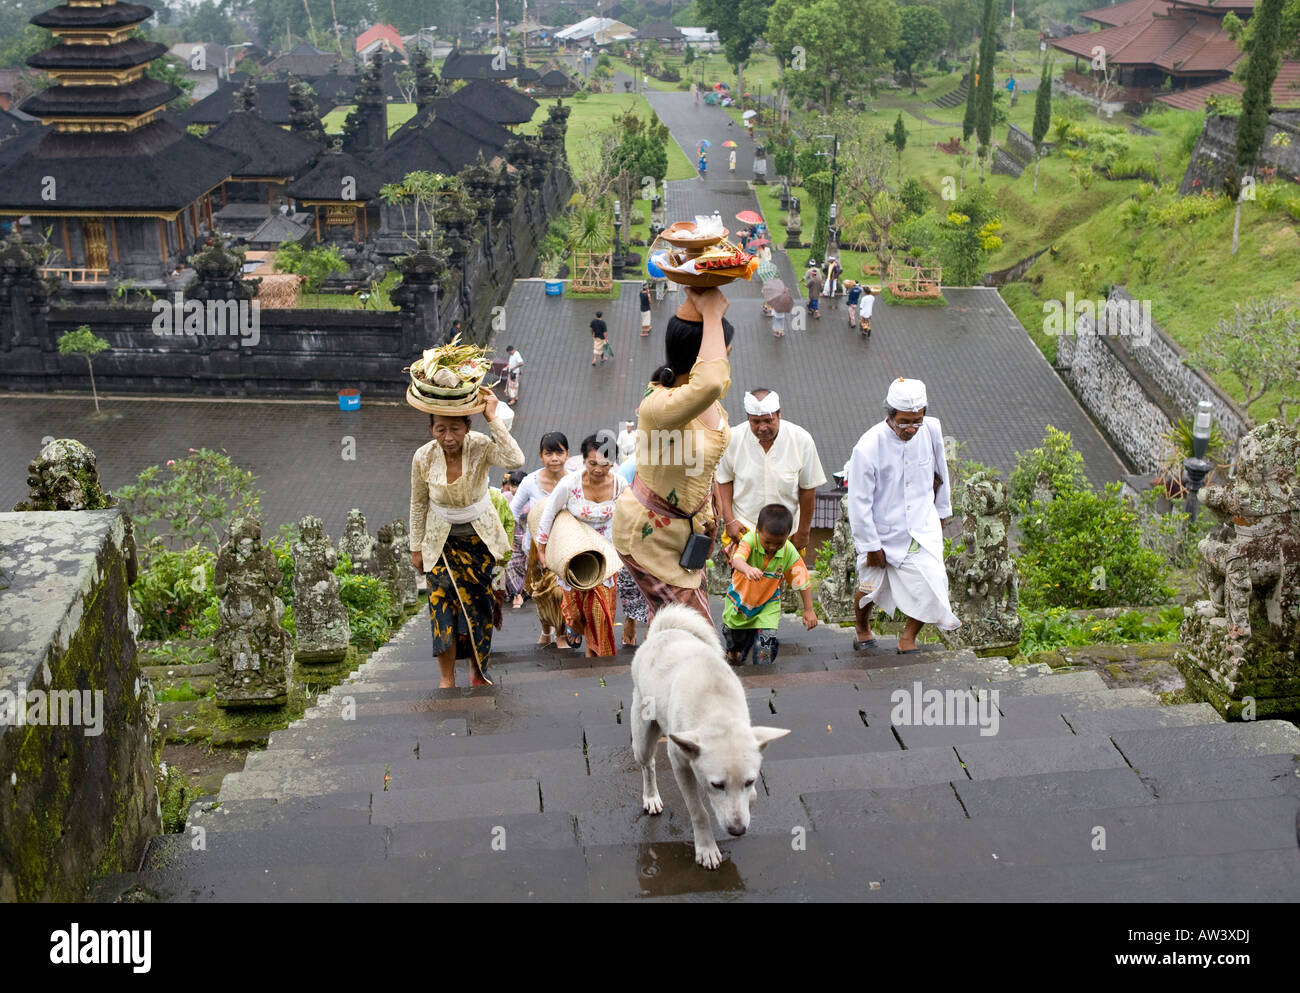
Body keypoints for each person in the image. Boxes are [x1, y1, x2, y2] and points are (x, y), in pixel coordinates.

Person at [612, 287, 734, 621]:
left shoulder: (706, 404)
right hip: (648, 539)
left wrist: (712, 516)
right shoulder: (659, 406)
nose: (725, 362)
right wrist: (710, 314)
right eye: (724, 353)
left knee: (674, 629)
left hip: (686, 534)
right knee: (695, 632)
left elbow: (703, 469)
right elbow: (710, 381)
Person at [409, 389, 525, 687]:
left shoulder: (481, 446)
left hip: (480, 543)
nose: (448, 436)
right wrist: (415, 547)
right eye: (440, 429)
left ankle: (477, 673)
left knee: (478, 610)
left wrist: (492, 417)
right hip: (440, 545)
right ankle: (446, 679)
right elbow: (418, 502)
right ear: (431, 429)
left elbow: (515, 458)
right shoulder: (423, 456)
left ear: (468, 427)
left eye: (455, 429)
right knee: (441, 611)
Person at [847, 378, 961, 654]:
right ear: (889, 415)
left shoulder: (931, 429)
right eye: (904, 422)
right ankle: (862, 629)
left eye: (916, 421)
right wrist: (871, 546)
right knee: (869, 587)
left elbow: (940, 472)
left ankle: (908, 638)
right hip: (883, 531)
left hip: (922, 525)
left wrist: (942, 514)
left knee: (932, 583)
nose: (911, 428)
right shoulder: (868, 446)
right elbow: (859, 502)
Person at [536, 435, 626, 657]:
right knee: (576, 612)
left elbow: (630, 516)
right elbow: (549, 514)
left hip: (606, 555)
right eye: (592, 463)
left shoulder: (619, 484)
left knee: (600, 612)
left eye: (604, 464)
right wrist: (542, 548)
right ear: (584, 460)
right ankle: (573, 626)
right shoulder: (570, 483)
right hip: (574, 553)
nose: (598, 470)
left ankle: (597, 655)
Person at [716, 388, 827, 557]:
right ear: (748, 418)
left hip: (787, 534)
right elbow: (723, 481)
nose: (762, 428)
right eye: (756, 422)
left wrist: (804, 531)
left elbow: (808, 489)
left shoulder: (802, 440)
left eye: (768, 420)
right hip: (744, 530)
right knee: (742, 582)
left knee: (789, 583)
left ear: (779, 414)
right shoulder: (733, 438)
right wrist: (729, 520)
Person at [722, 503, 816, 665]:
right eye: (768, 542)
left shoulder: (789, 551)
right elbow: (737, 560)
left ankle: (763, 662)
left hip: (768, 601)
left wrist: (808, 609)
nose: (772, 548)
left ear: (787, 536)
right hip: (740, 598)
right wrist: (748, 569)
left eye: (778, 544)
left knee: (768, 632)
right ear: (758, 529)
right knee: (735, 635)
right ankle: (733, 650)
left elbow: (801, 579)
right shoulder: (750, 539)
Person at [509, 432, 572, 631]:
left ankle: (561, 633)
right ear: (541, 456)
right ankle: (545, 630)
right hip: (535, 549)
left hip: (565, 548)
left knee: (561, 592)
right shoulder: (530, 482)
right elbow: (513, 511)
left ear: (567, 454)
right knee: (541, 591)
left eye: (559, 453)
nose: (554, 458)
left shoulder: (573, 481)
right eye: (549, 453)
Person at [501, 469, 529, 608]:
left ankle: (527, 589)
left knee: (527, 566)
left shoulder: (533, 498)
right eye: (513, 485)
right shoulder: (505, 498)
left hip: (529, 538)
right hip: (512, 537)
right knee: (511, 564)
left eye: (519, 485)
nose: (515, 489)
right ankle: (517, 594)